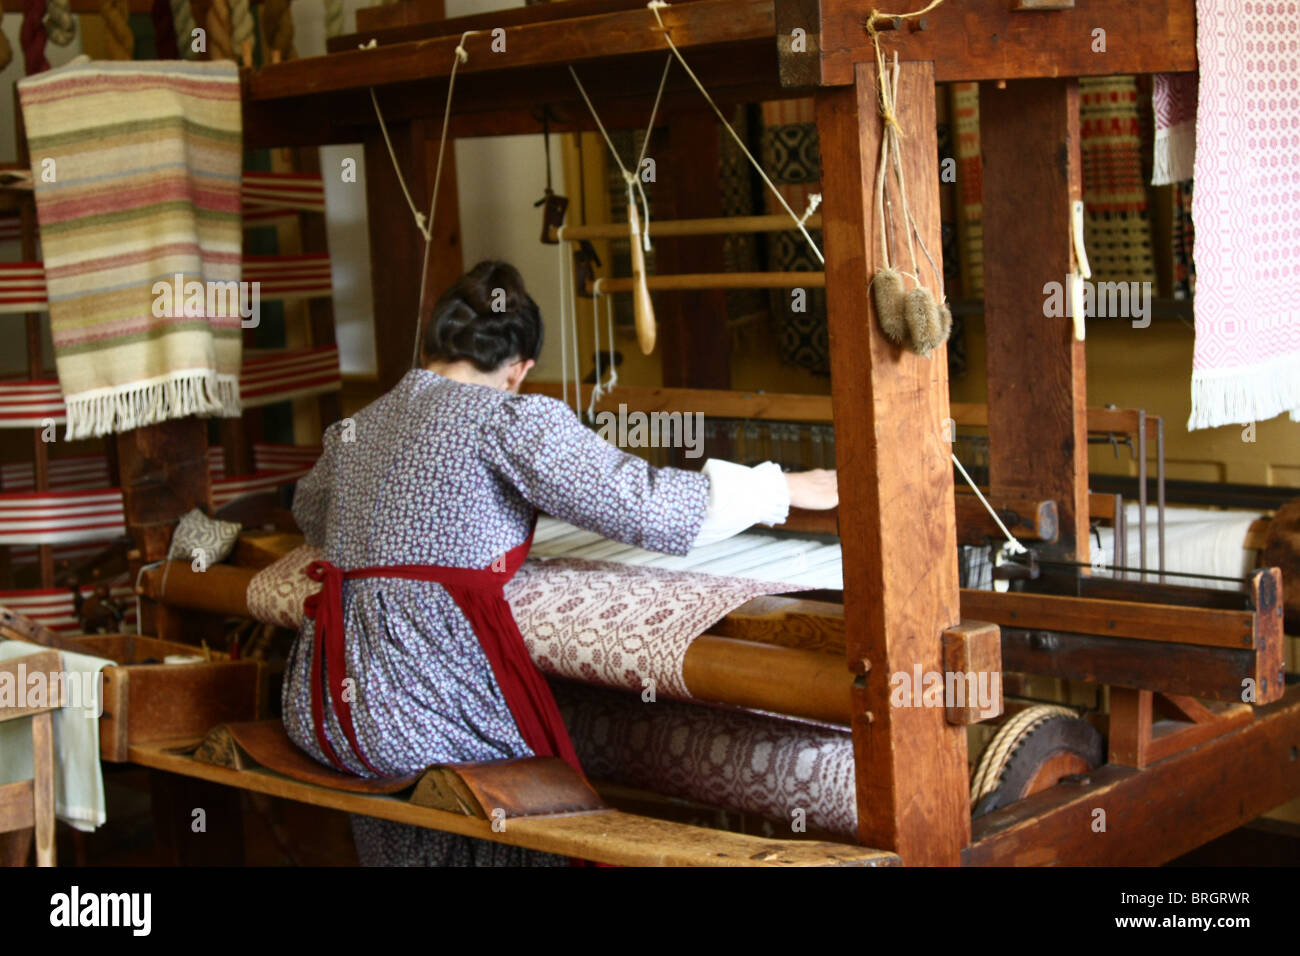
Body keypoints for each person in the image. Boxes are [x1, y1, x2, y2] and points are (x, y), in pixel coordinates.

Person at [281, 260, 838, 866]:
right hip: (420, 707)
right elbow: (643, 505)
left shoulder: (354, 429)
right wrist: (780, 488)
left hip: (325, 706)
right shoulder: (504, 418)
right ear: (519, 371)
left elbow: (313, 513)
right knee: (530, 822)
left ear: (437, 345)